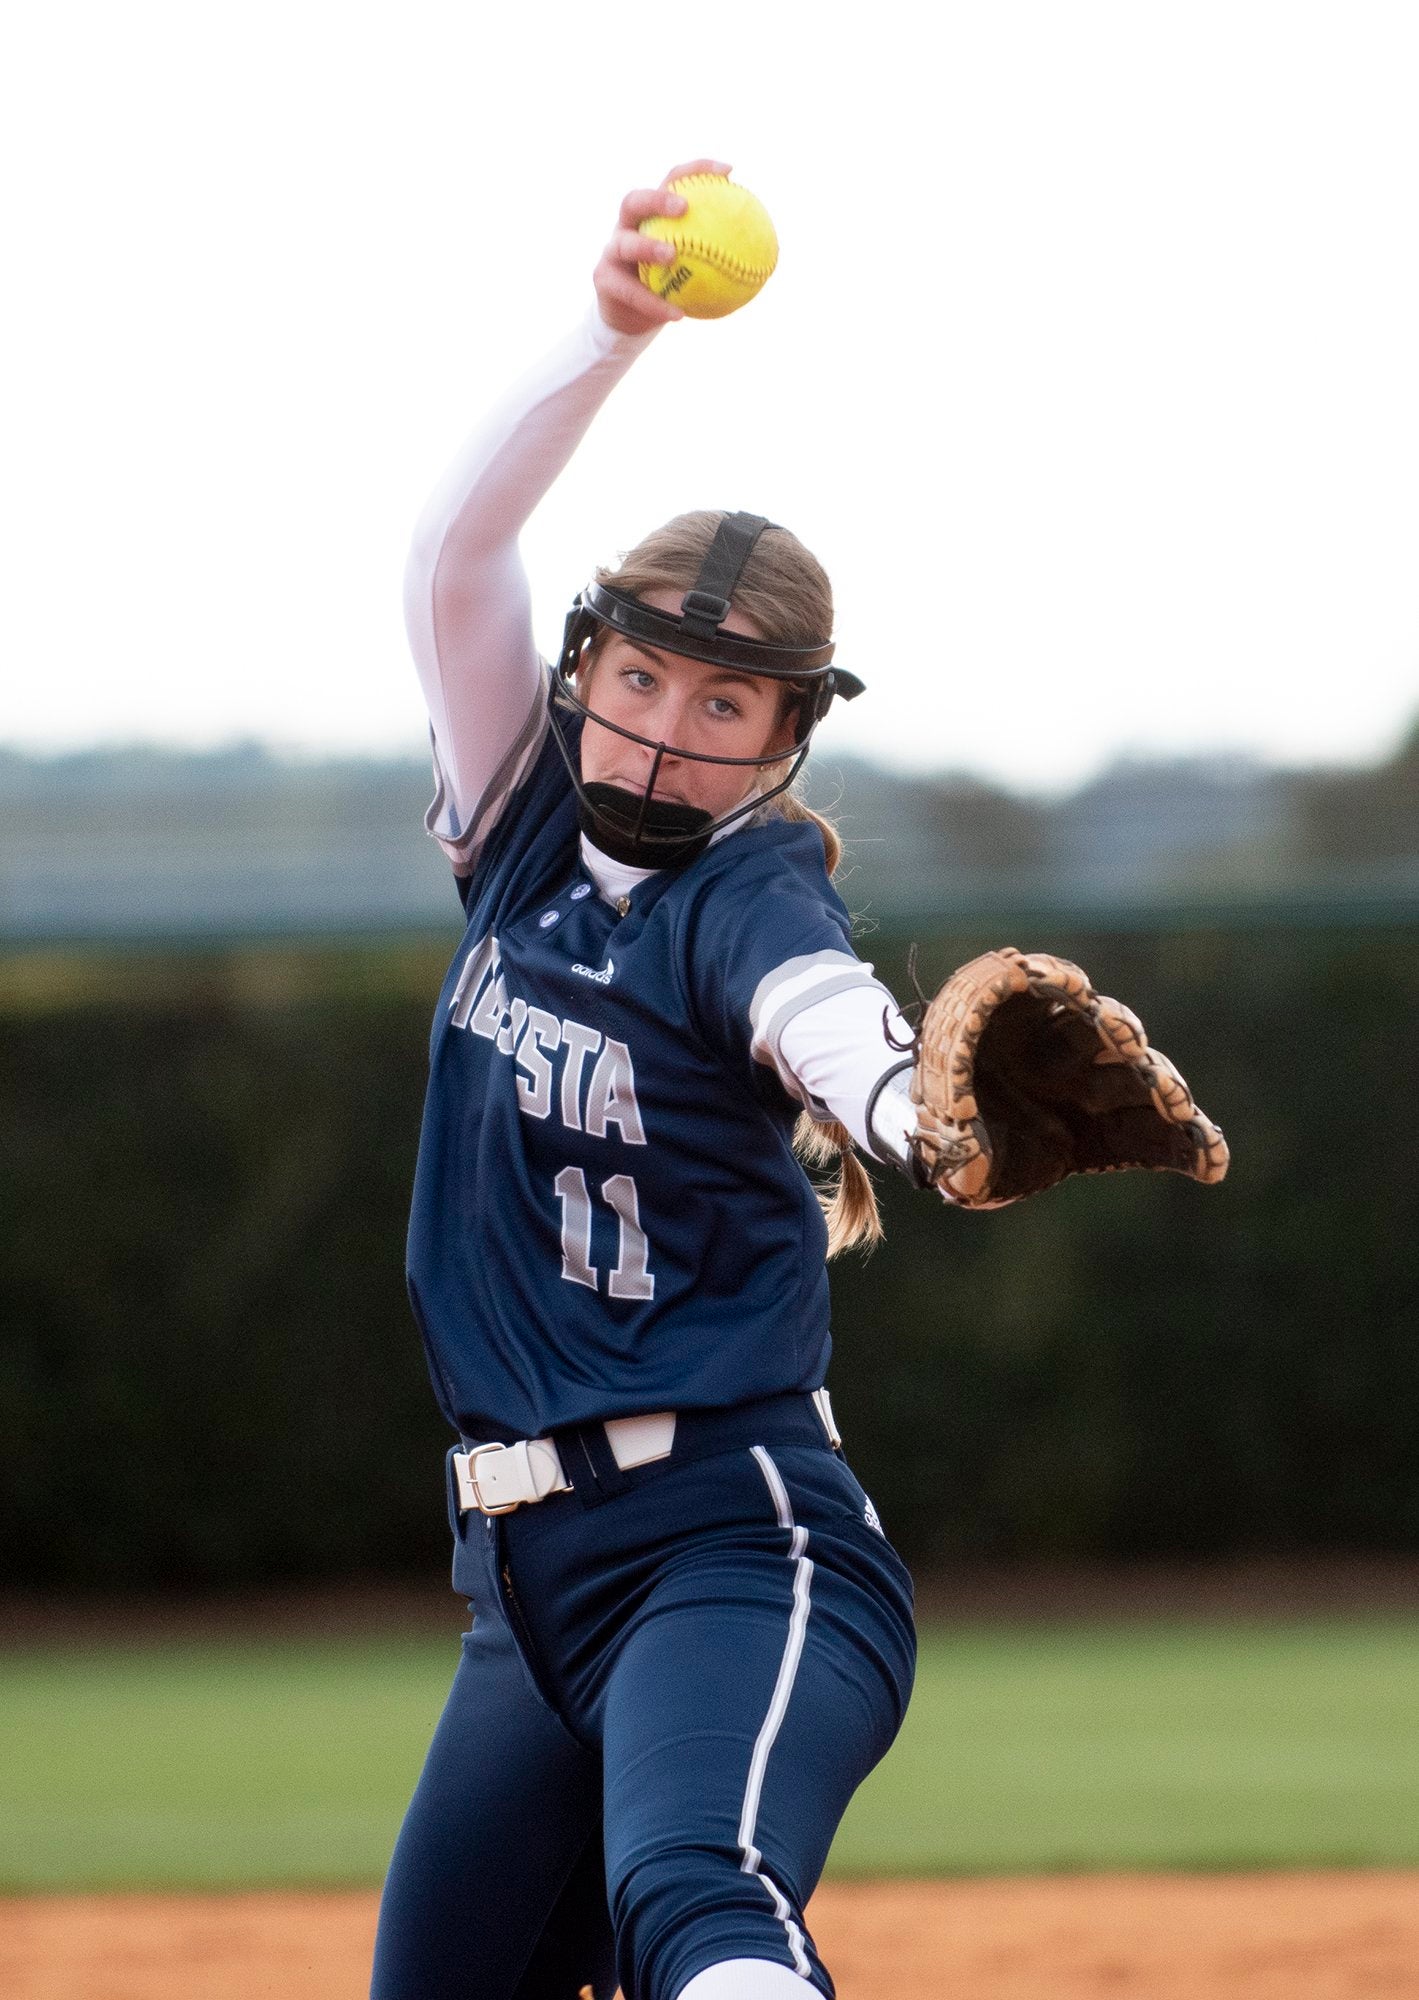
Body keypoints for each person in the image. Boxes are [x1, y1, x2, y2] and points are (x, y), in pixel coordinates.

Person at [370, 162, 932, 2000]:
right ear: (585, 667)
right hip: (525, 1597)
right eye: (642, 676)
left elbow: (822, 1016)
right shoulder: (522, 838)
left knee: (697, 1902)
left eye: (725, 706)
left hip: (735, 1548)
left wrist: (918, 1109)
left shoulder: (745, 894)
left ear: (783, 742)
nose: (667, 730)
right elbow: (453, 555)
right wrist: (611, 328)